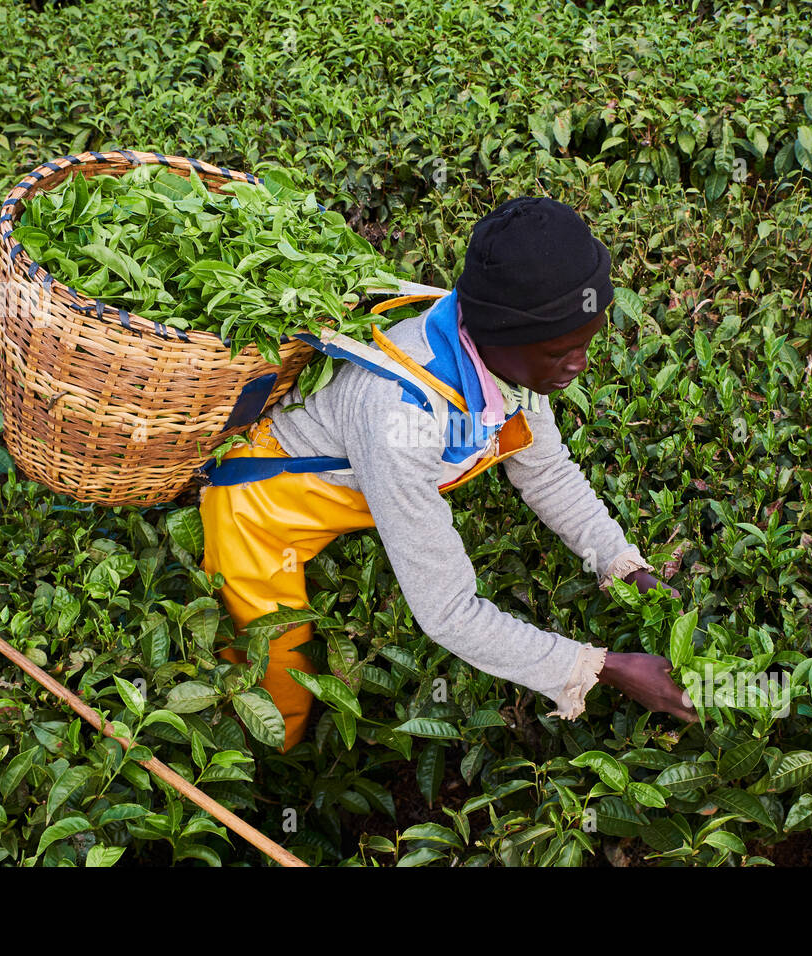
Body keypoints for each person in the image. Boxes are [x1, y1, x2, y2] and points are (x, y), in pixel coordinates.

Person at [199, 196, 697, 753]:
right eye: (562, 352)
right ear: (502, 338)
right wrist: (603, 669)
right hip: (263, 513)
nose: (578, 367)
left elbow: (547, 474)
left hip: (362, 486)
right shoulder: (400, 413)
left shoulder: (510, 363)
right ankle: (269, 772)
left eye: (585, 343)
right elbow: (449, 612)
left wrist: (628, 571)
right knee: (277, 672)